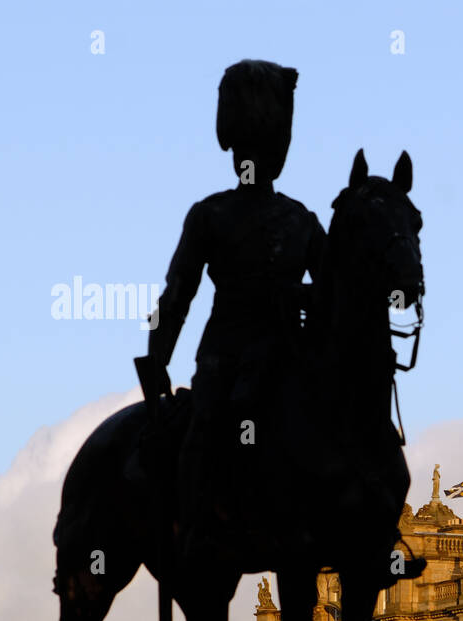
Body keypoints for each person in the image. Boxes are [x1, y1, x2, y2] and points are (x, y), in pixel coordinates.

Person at [140, 59, 325, 563]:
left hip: (288, 361)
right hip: (228, 359)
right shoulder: (214, 215)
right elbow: (176, 297)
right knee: (204, 433)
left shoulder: (301, 220)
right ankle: (197, 528)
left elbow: (336, 296)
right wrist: (157, 360)